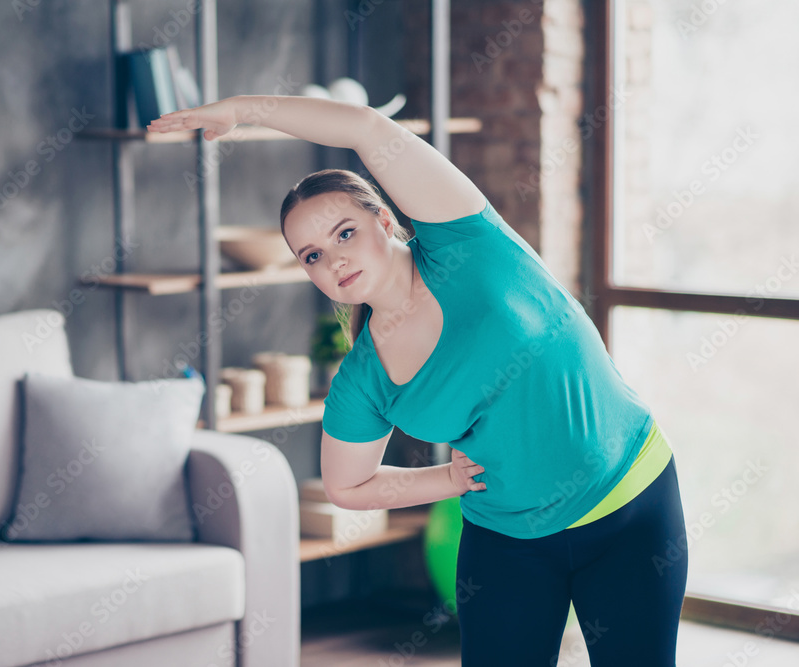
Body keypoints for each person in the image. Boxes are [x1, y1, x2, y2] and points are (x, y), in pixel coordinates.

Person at [148, 94, 689, 666]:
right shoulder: (363, 380)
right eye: (311, 255)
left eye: (344, 234)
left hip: (629, 500)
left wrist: (243, 111)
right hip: (508, 543)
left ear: (383, 219)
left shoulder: (465, 240)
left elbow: (361, 125)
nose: (332, 260)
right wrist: (446, 480)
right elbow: (346, 487)